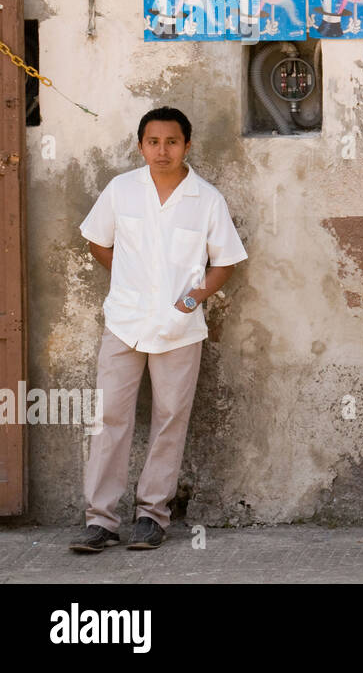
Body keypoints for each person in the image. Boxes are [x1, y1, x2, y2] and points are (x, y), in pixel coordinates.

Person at [69, 107, 248, 553]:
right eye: (153, 142)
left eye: (172, 142)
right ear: (140, 146)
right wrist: (127, 277)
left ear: (187, 145)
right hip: (124, 321)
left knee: (170, 419)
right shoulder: (121, 190)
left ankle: (152, 516)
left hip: (178, 327)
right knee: (109, 417)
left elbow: (224, 261)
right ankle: (101, 521)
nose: (162, 150)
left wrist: (190, 300)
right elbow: (97, 239)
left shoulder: (206, 199)